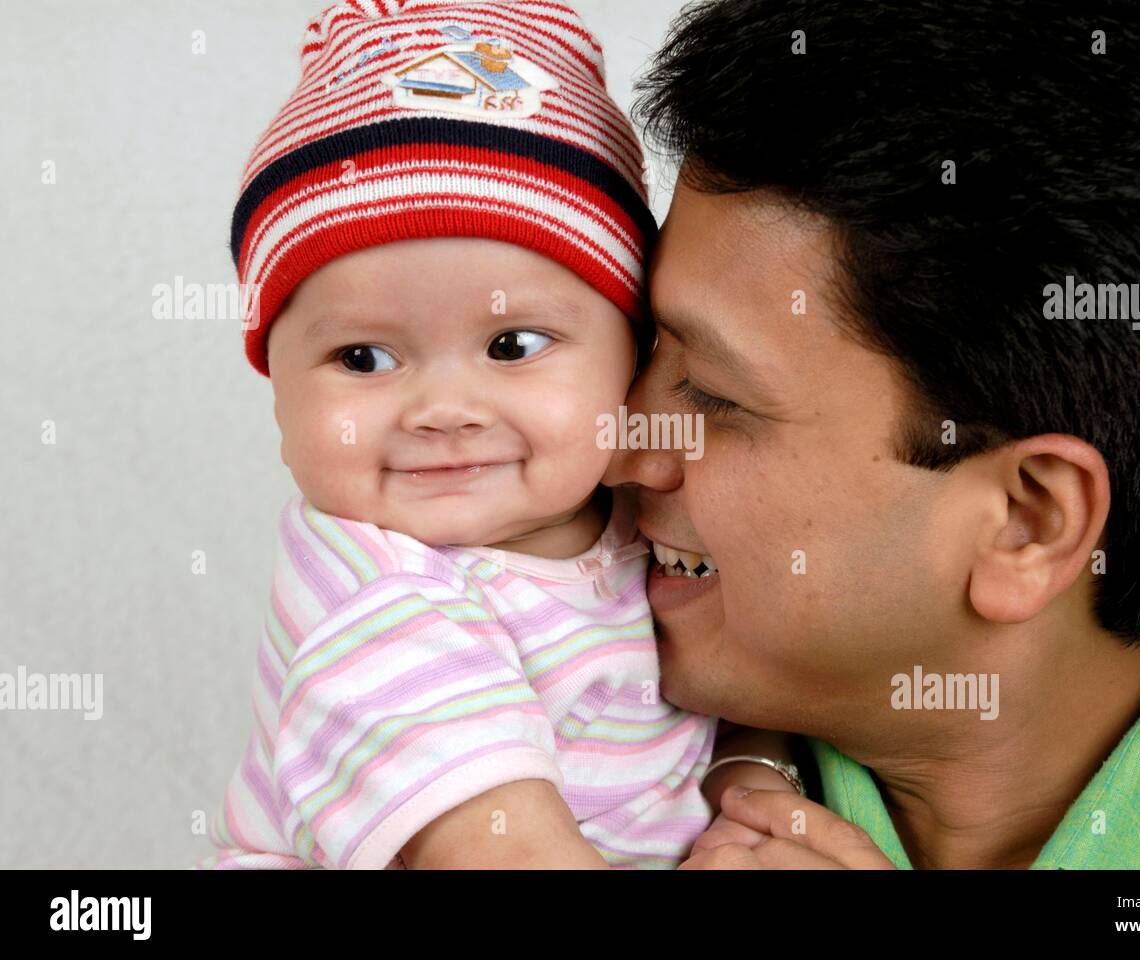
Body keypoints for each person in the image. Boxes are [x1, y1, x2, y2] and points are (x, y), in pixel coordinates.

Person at [602, 0, 1140, 868]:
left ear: (1027, 523)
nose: (611, 444)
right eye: (636, 340)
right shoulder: (467, 747)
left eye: (711, 395)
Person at [201, 0, 797, 871]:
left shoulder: (646, 519)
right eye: (361, 357)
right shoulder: (378, 592)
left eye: (512, 346)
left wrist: (752, 791)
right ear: (274, 385)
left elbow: (754, 678)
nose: (443, 408)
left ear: (632, 355)